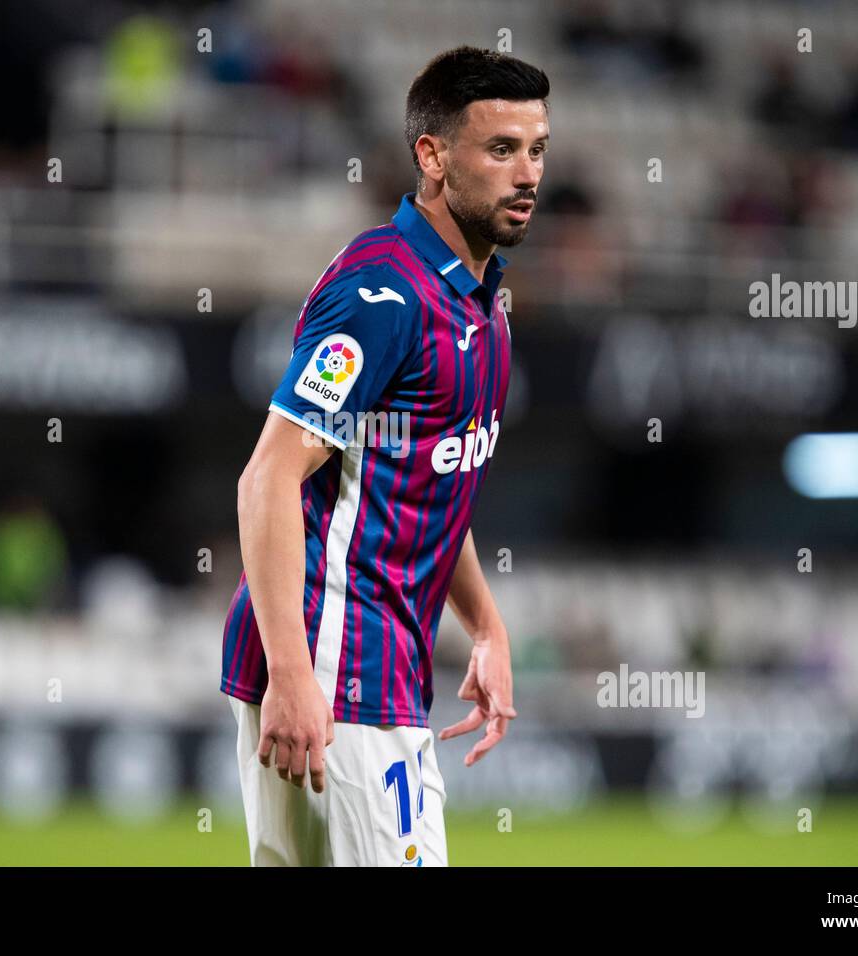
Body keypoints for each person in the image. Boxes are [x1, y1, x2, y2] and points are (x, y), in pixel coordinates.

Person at [220, 46, 548, 866]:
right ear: (433, 157)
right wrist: (297, 677)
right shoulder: (384, 294)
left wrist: (487, 629)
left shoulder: (484, 309)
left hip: (363, 662)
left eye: (537, 148)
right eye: (500, 149)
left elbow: (427, 491)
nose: (527, 173)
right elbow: (266, 479)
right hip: (337, 661)